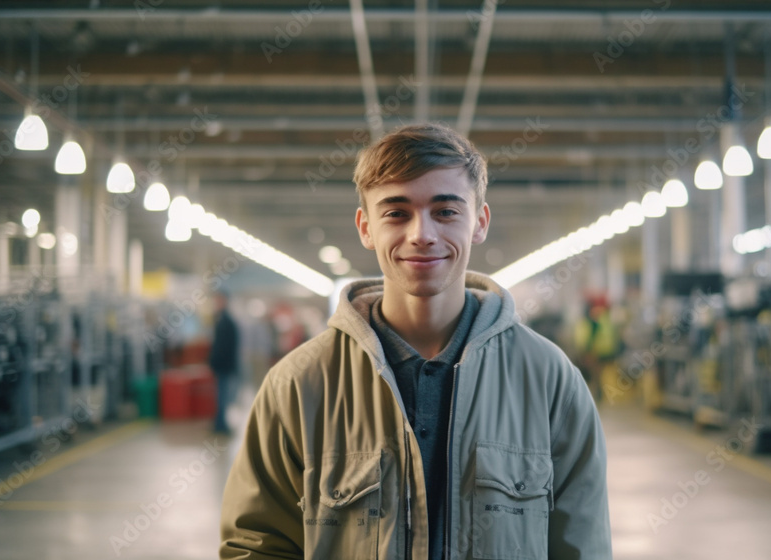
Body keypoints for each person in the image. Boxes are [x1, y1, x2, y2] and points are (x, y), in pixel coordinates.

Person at [221, 123, 611, 559]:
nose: (421, 234)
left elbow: (583, 546)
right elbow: (257, 545)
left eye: (445, 211)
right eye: (396, 212)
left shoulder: (549, 380)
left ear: (479, 222)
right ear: (365, 227)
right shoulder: (298, 384)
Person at [209, 290, 240, 434]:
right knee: (222, 395)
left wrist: (215, 362)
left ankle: (221, 425)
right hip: (223, 365)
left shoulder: (225, 322)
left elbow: (223, 347)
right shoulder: (222, 320)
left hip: (224, 366)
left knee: (223, 396)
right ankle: (220, 423)